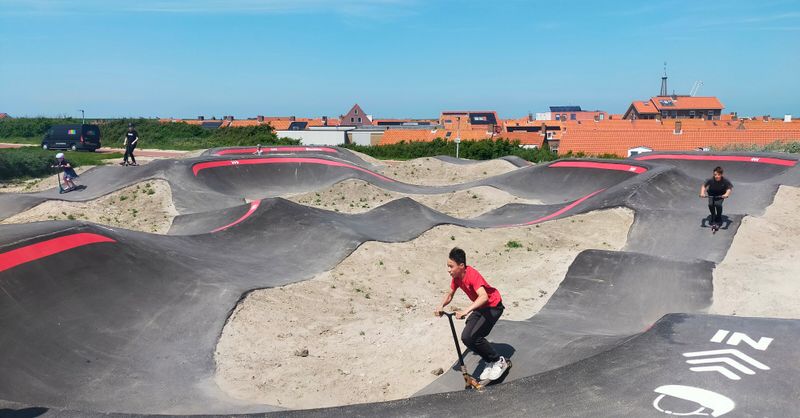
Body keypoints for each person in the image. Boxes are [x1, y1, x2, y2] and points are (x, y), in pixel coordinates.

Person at [435, 247, 508, 381]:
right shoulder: (456, 277)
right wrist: (441, 305)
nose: (448, 270)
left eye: (451, 266)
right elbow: (450, 294)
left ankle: (499, 361)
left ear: (461, 266)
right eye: (448, 266)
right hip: (481, 307)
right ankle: (490, 361)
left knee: (476, 336)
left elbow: (484, 297)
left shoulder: (472, 274)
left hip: (493, 306)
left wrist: (465, 311)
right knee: (466, 337)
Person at [700, 166, 733, 230]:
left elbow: (729, 188)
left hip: (720, 194)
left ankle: (719, 217)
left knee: (718, 205)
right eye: (715, 174)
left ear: (721, 174)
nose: (716, 176)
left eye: (718, 175)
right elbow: (704, 186)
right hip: (711, 193)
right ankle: (713, 215)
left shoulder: (725, 180)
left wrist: (726, 194)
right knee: (710, 204)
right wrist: (702, 193)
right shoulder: (710, 179)